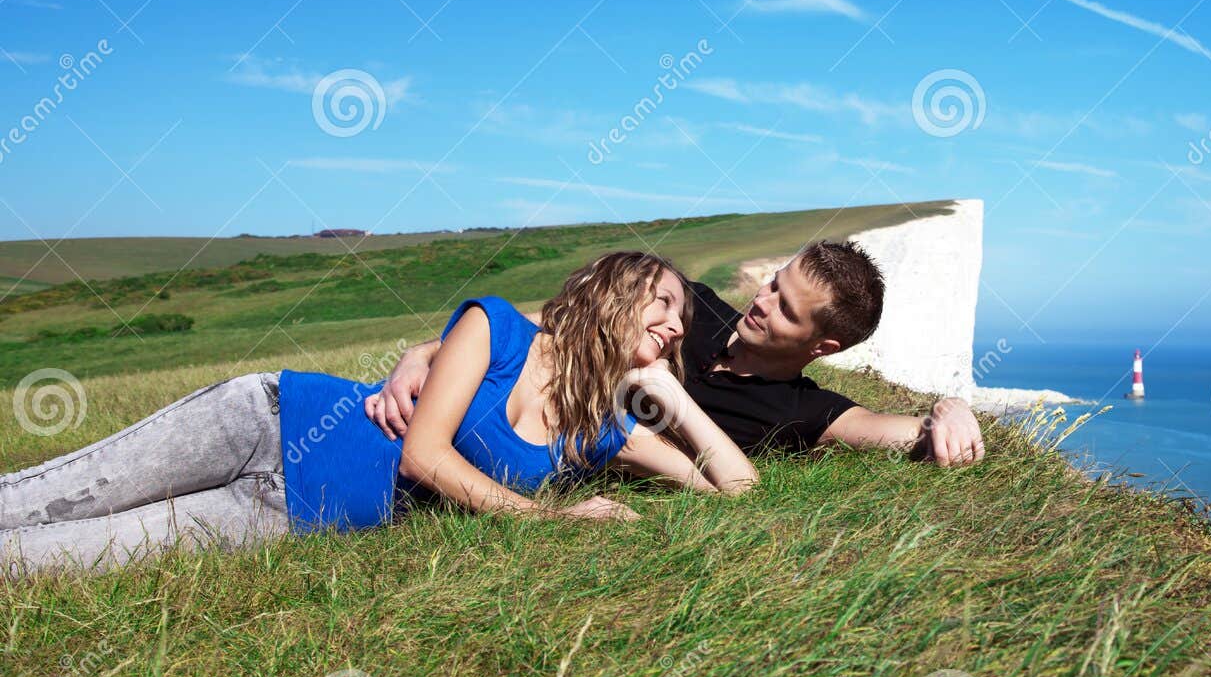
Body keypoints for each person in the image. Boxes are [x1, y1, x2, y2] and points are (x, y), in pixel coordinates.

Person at [0, 252, 753, 578]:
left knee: (37, 560)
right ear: (613, 295)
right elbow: (424, 457)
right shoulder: (494, 328)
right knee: (37, 499)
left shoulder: (606, 429)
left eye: (683, 318)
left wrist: (676, 398)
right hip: (267, 421)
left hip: (284, 517)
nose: (678, 326)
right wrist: (552, 520)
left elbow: (735, 488)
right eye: (664, 305)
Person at [369, 240, 987, 466]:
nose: (763, 301)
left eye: (786, 308)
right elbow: (552, 325)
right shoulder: (688, 305)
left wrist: (951, 407)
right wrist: (427, 350)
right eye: (774, 282)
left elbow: (901, 433)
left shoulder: (802, 411)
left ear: (820, 346)